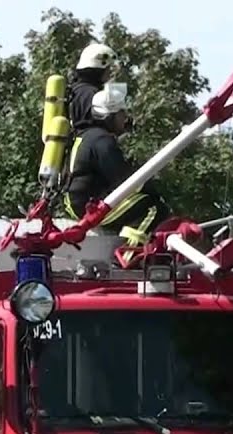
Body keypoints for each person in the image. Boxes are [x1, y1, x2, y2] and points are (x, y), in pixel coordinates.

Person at [64, 84, 185, 268]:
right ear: (110, 115)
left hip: (76, 202)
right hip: (89, 208)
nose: (125, 118)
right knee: (152, 207)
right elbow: (123, 180)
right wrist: (152, 189)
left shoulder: (88, 135)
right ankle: (127, 257)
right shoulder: (103, 141)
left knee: (139, 202)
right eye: (121, 113)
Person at [67, 42, 117, 134]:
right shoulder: (90, 94)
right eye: (107, 68)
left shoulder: (77, 90)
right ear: (98, 70)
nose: (110, 72)